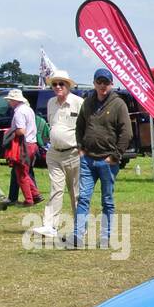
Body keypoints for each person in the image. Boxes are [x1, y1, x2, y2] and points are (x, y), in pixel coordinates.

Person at [72, 68, 132, 250]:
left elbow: (126, 133)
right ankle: (77, 235)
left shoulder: (118, 104)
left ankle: (106, 237)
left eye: (106, 82)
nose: (102, 85)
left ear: (111, 84)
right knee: (83, 198)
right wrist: (80, 149)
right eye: (99, 82)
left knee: (107, 200)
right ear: (94, 83)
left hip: (107, 161)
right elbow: (79, 127)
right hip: (87, 159)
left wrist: (115, 156)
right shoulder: (87, 103)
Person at [34, 70, 81, 241]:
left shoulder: (79, 102)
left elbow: (85, 127)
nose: (58, 87)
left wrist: (83, 149)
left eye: (61, 84)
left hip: (74, 152)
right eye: (54, 84)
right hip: (54, 153)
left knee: (76, 193)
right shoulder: (50, 102)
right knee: (55, 189)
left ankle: (79, 228)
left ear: (68, 85)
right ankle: (49, 225)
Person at [3, 89, 41, 206]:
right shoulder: (28, 109)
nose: (9, 102)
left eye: (10, 100)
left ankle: (29, 200)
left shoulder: (19, 112)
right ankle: (35, 195)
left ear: (15, 100)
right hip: (32, 143)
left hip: (24, 145)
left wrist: (9, 132)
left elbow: (21, 131)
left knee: (21, 174)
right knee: (25, 172)